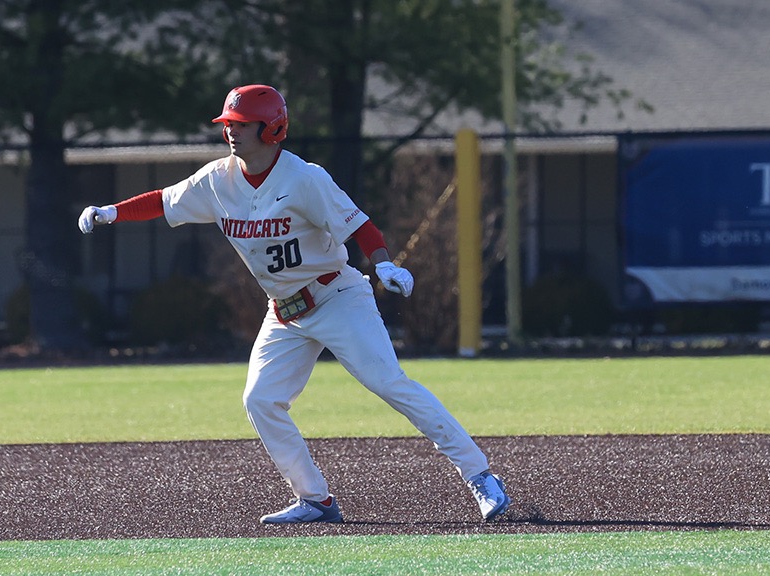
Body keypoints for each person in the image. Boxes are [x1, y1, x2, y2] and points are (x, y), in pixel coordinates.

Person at [78, 84, 509, 524]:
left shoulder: (305, 178)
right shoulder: (217, 179)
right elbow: (165, 201)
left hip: (335, 295)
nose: (231, 131)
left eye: (242, 124)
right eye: (228, 123)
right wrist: (110, 211)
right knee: (260, 399)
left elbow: (360, 226)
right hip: (283, 311)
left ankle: (481, 476)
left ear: (273, 127)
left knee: (390, 384)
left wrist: (382, 266)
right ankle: (316, 500)